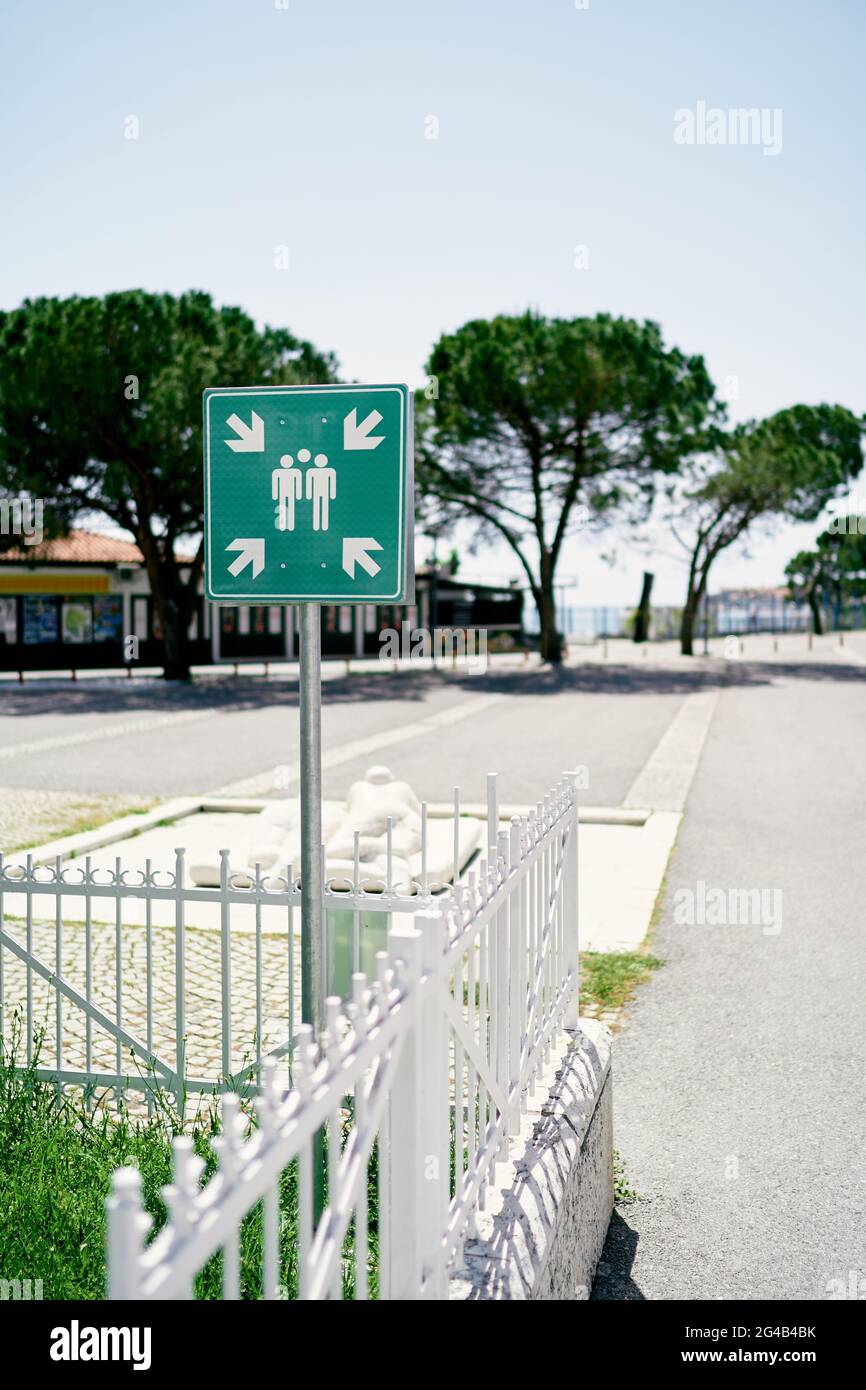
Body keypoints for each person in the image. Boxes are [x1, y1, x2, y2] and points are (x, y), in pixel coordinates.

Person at [306, 453, 336, 531]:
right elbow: (309, 483)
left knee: (325, 508)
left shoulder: (330, 471)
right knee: (316, 507)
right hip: (315, 493)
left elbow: (332, 482)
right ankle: (316, 525)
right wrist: (309, 494)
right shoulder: (311, 471)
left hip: (325, 493)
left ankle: (324, 525)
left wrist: (332, 494)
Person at [272, 455, 303, 531]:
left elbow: (298, 483)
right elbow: (275, 483)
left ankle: (291, 525)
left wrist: (299, 494)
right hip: (282, 493)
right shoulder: (277, 472)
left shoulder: (296, 471)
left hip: (291, 493)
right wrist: (275, 495)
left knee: (291, 508)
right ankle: (282, 525)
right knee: (282, 508)